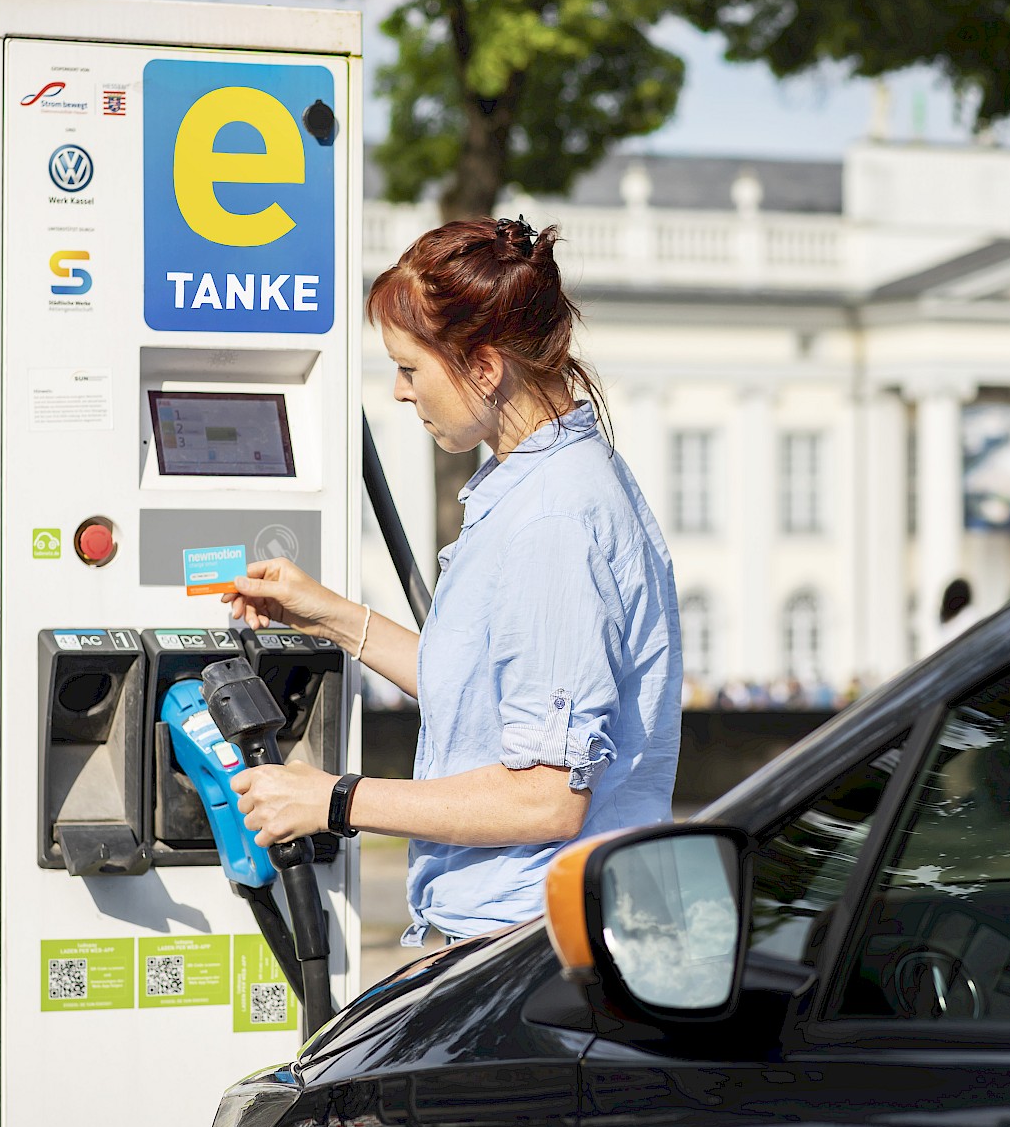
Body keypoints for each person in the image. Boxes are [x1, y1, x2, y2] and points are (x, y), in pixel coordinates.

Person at [224, 216, 682, 945]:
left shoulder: (553, 520)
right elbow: (479, 691)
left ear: (485, 367)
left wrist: (334, 799)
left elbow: (544, 798)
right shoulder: (536, 485)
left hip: (534, 947)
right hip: (530, 937)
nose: (401, 394)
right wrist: (330, 616)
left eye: (410, 368)